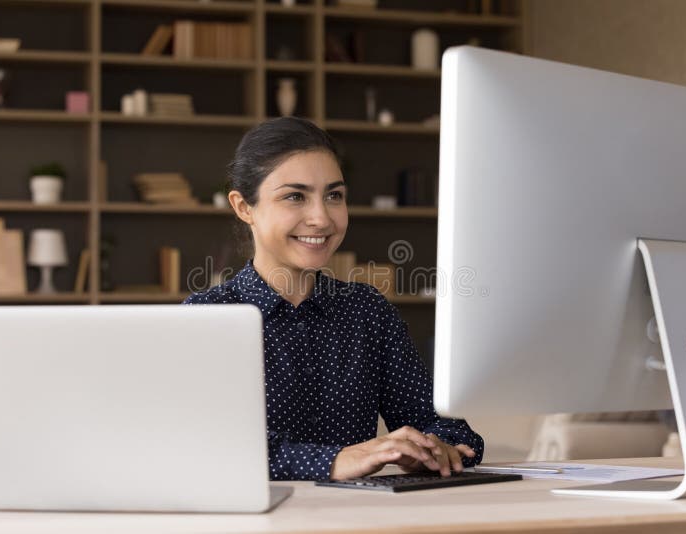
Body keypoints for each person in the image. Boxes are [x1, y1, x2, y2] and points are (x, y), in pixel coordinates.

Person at [184, 117, 483, 481]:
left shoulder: (367, 311)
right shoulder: (206, 317)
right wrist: (336, 460)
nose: (321, 217)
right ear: (244, 207)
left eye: (334, 195)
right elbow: (210, 448)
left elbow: (454, 433)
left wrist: (432, 451)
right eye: (295, 196)